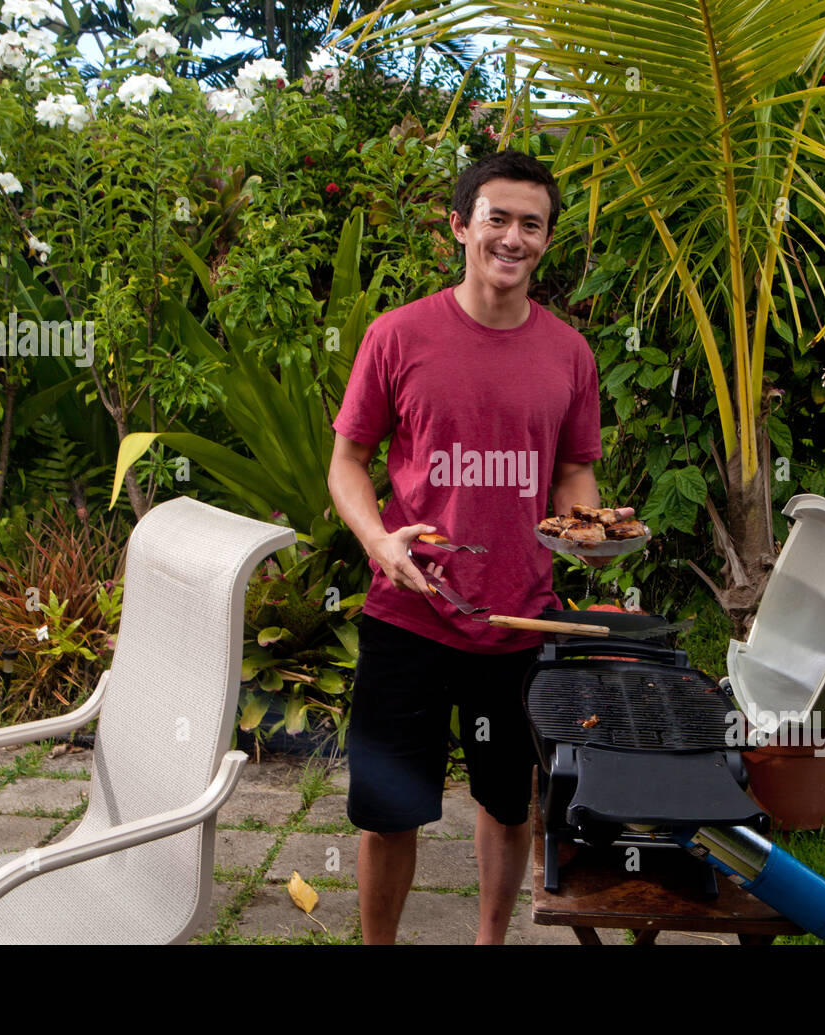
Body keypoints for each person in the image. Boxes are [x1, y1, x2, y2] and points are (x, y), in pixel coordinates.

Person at [327, 149, 627, 944]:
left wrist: (588, 539)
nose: (513, 237)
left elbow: (573, 473)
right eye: (497, 218)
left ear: (546, 241)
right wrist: (376, 537)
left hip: (519, 623)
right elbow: (347, 461)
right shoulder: (398, 336)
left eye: (532, 224)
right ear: (461, 226)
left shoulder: (569, 354)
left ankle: (490, 943)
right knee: (390, 809)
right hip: (408, 613)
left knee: (508, 799)